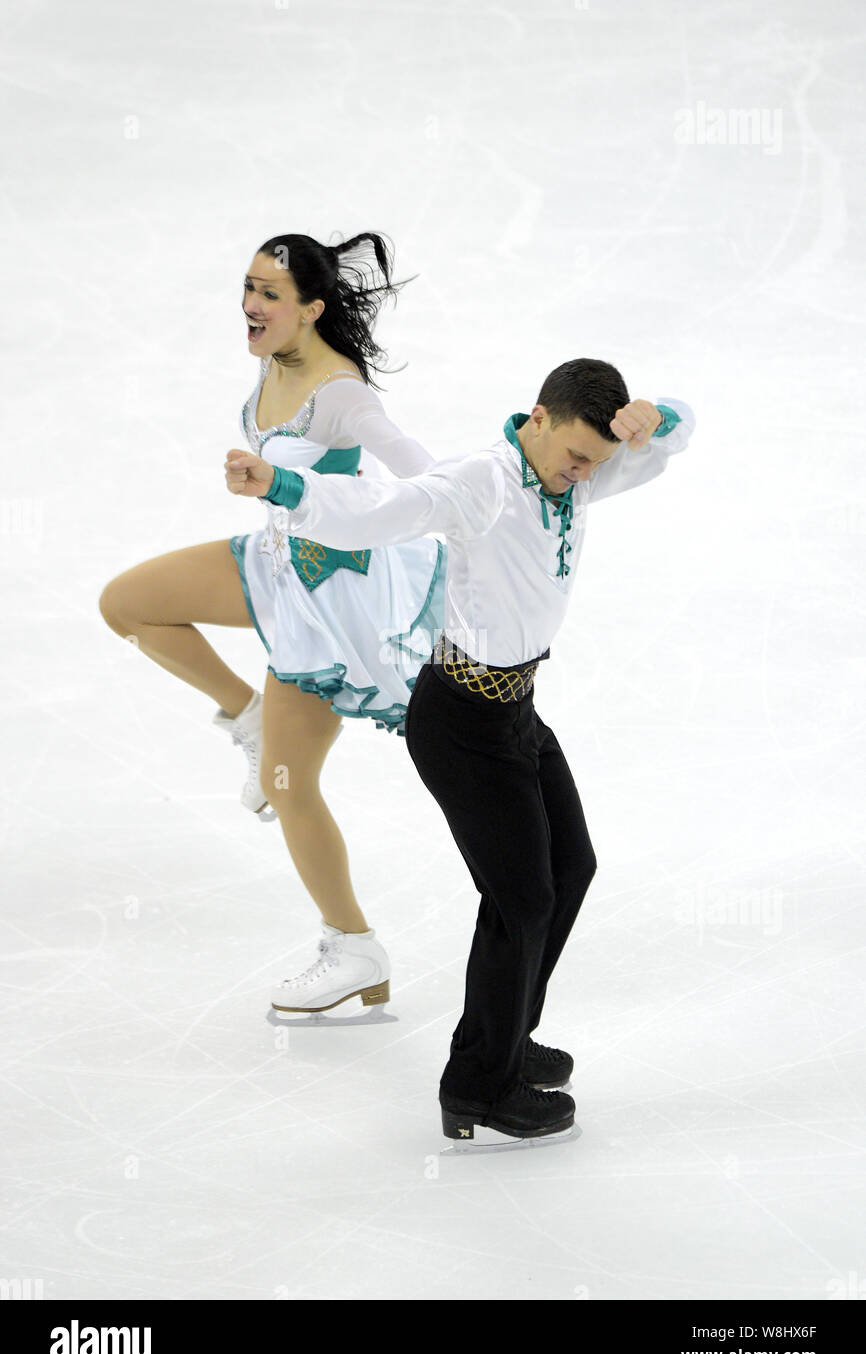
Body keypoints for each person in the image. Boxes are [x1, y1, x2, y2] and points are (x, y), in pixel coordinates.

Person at [225, 358, 696, 1141]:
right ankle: (480, 1086)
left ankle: (506, 1038)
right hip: (460, 722)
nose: (585, 474)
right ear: (537, 419)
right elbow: (377, 513)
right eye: (576, 455)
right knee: (520, 900)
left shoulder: (578, 477)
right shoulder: (481, 482)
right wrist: (283, 489)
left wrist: (660, 415)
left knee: (569, 868)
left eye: (597, 462)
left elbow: (673, 438)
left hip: (515, 711)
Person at [99, 232, 446, 1015]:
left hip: (326, 600)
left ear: (311, 310)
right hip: (272, 561)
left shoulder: (343, 394)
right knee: (127, 605)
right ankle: (246, 715)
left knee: (289, 786)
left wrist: (287, 480)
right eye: (248, 287)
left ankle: (353, 947)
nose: (251, 307)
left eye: (269, 295)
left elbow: (422, 477)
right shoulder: (274, 360)